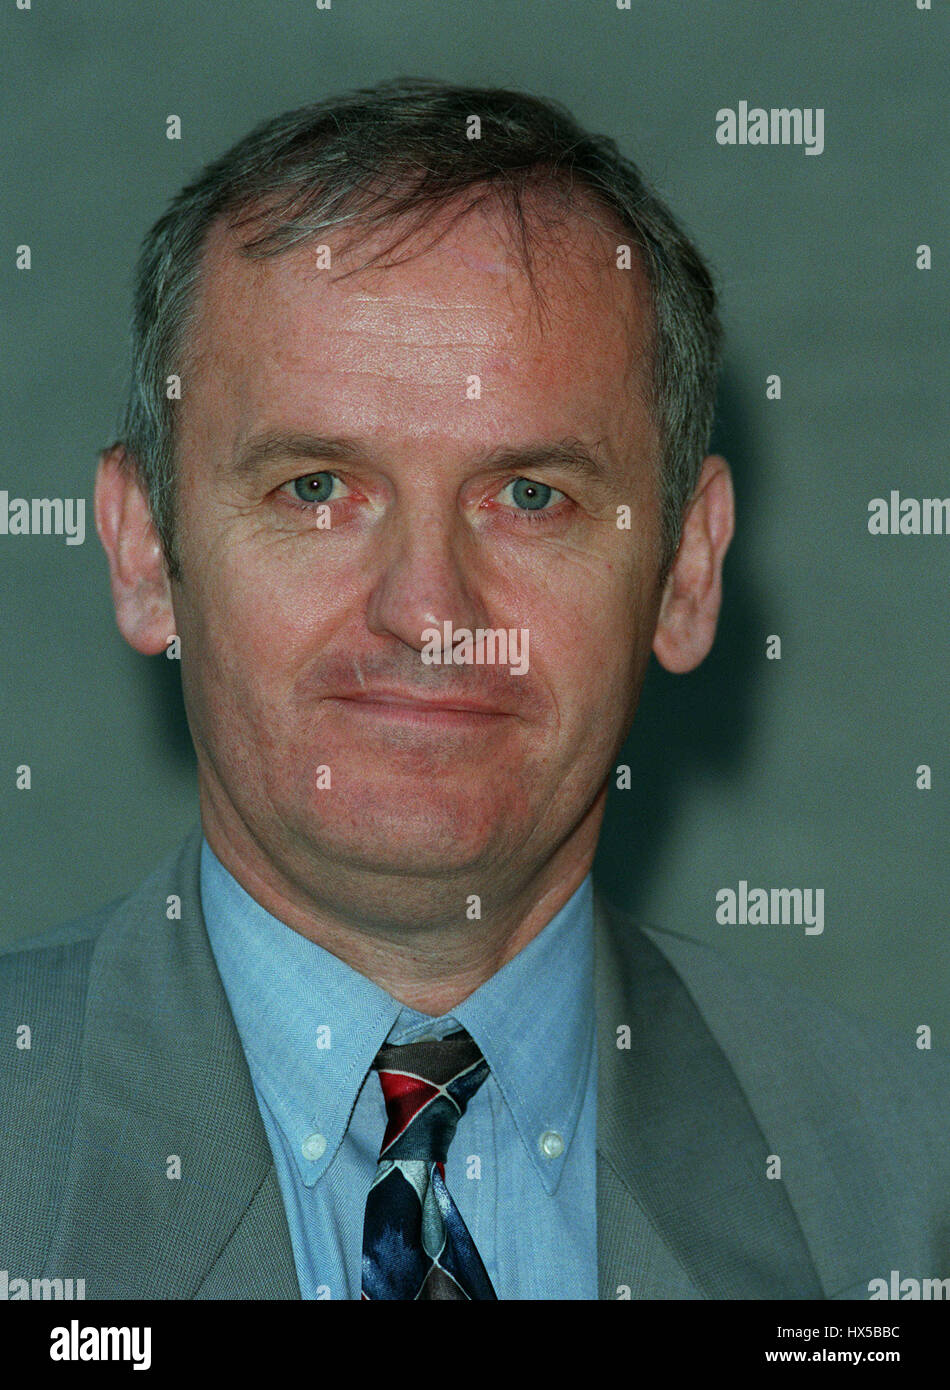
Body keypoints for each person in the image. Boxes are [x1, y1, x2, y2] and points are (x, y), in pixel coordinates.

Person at [1, 79, 946, 1302]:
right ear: (144, 553)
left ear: (684, 572)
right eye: (316, 487)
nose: (429, 612)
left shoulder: (907, 1194)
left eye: (530, 497)